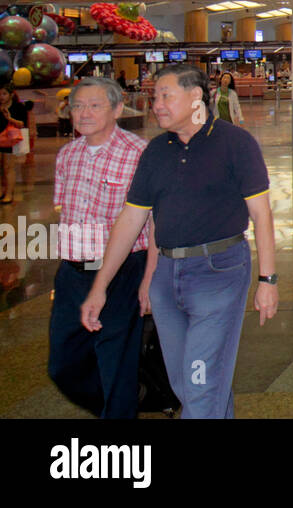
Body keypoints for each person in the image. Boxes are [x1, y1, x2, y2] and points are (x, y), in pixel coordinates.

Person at [81, 63, 277, 419]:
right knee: (189, 383)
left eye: (165, 95)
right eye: (155, 96)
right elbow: (131, 220)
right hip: (167, 278)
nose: (156, 104)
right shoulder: (156, 151)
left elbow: (262, 215)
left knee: (201, 384)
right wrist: (100, 286)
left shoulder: (235, 143)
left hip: (218, 273)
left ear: (196, 97)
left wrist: (267, 280)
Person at [48, 77, 151, 419]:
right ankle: (118, 401)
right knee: (63, 365)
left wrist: (150, 278)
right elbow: (67, 214)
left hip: (123, 271)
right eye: (77, 106)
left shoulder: (138, 154)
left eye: (95, 105)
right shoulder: (67, 155)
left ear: (118, 109)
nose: (84, 113)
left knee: (116, 360)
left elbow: (153, 225)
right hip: (74, 274)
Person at [0, 84, 30, 204]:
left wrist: (9, 118)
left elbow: (22, 124)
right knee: (1, 168)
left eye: (4, 94)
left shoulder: (18, 107)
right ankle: (3, 191)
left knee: (8, 167)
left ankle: (9, 194)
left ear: (11, 95)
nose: (1, 97)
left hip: (9, 140)